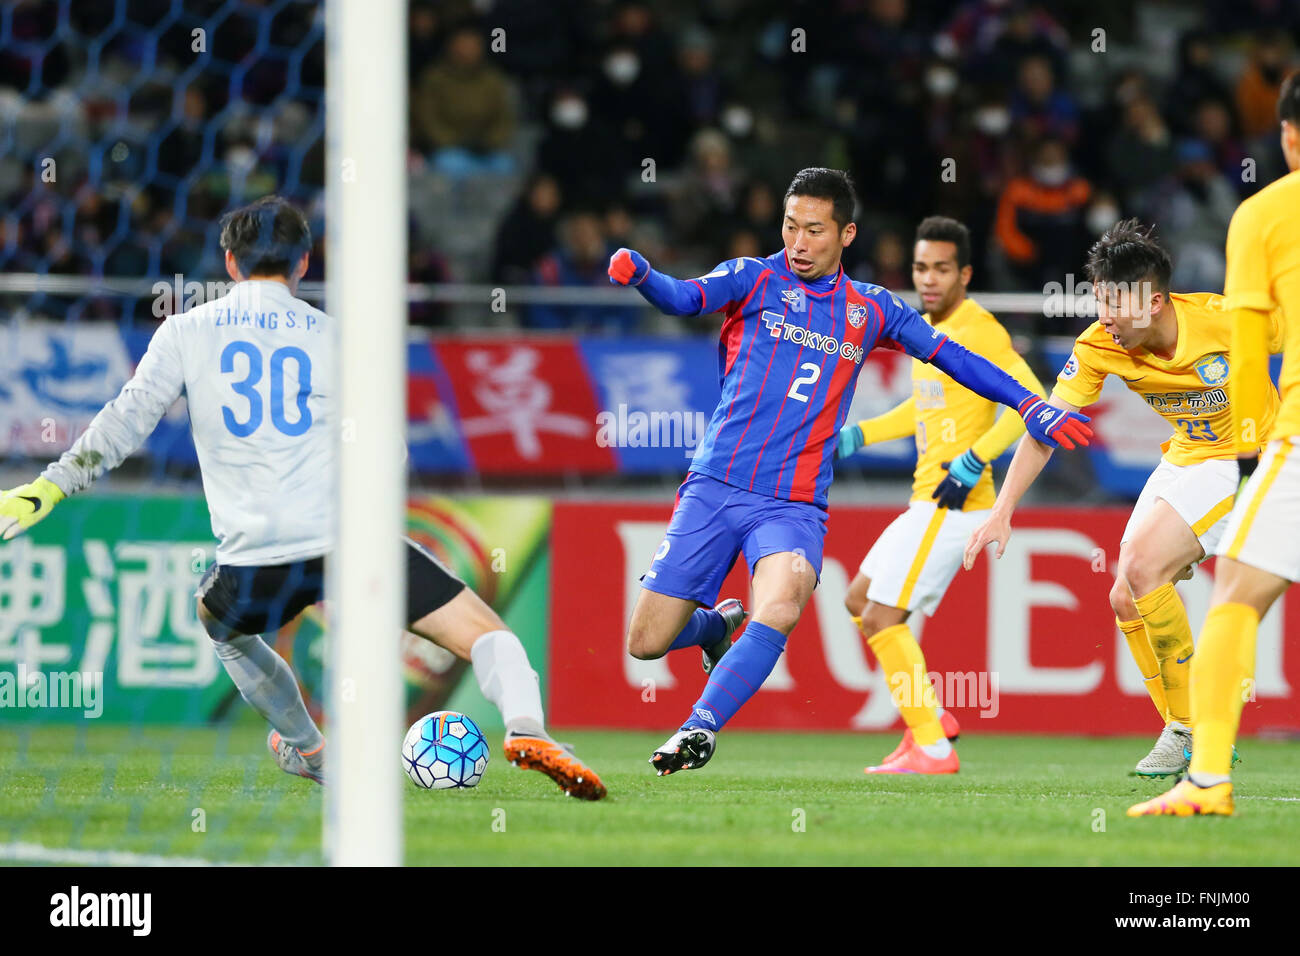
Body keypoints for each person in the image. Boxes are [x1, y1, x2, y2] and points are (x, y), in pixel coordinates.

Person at [0, 196, 605, 800]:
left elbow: (124, 421)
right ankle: (528, 727)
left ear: (230, 264)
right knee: (486, 635)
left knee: (220, 624)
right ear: (305, 264)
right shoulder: (337, 337)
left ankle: (312, 750)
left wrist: (48, 486)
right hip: (352, 543)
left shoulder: (184, 332)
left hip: (254, 557)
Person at [607, 167, 1092, 776]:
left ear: (847, 234)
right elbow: (682, 298)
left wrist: (1030, 403)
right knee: (646, 642)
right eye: (790, 227)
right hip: (714, 486)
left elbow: (954, 359)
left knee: (781, 606)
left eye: (813, 230)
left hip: (793, 503)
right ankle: (713, 627)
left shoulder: (871, 309)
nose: (798, 243)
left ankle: (699, 727)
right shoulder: (751, 277)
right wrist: (643, 275)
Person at [963, 219, 1281, 778]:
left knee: (1141, 564)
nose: (1104, 316)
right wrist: (1001, 510)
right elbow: (1047, 429)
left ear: (1154, 300)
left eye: (1115, 303)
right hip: (1188, 453)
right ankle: (1187, 730)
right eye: (1098, 300)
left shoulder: (1223, 320)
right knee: (1125, 597)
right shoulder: (1097, 347)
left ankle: (1193, 731)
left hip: (1252, 459)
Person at [1129, 72, 1300, 817]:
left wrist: (1248, 455)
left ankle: (1207, 779)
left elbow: (1250, 352)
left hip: (1290, 435)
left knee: (1233, 598)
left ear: (1286, 134)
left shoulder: (1263, 216)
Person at [838, 216, 1046, 774]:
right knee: (858, 600)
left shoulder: (980, 330)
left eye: (942, 269)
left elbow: (1035, 399)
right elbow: (925, 407)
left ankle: (930, 745)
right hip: (923, 499)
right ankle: (929, 720)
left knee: (882, 618)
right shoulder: (922, 329)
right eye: (921, 267)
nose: (929, 279)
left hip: (953, 503)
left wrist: (977, 458)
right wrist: (861, 434)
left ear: (966, 274)